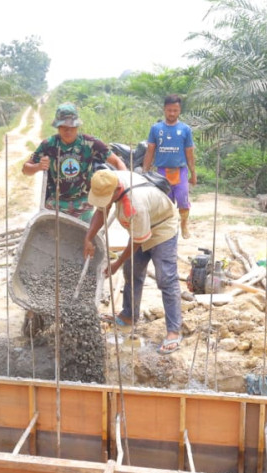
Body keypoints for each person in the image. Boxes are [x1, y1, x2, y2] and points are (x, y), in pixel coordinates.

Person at [83, 169, 182, 355]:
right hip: (142, 225)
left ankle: (173, 332)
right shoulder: (108, 179)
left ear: (115, 191)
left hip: (162, 228)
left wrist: (117, 263)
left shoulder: (134, 204)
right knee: (132, 271)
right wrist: (88, 238)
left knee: (165, 278)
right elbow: (101, 211)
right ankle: (129, 315)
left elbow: (137, 240)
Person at [23, 103, 127, 223]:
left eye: (71, 127)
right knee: (55, 239)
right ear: (58, 127)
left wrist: (125, 182)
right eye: (64, 127)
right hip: (56, 203)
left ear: (77, 126)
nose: (68, 131)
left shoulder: (90, 143)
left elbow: (117, 162)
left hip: (83, 203)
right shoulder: (49, 144)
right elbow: (26, 169)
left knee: (84, 236)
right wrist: (38, 166)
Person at [142, 94, 197, 238]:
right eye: (169, 110)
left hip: (181, 172)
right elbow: (150, 151)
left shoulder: (185, 130)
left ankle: (184, 224)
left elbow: (189, 152)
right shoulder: (156, 129)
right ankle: (168, 230)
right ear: (164, 110)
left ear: (179, 111)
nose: (172, 113)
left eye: (175, 110)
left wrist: (193, 173)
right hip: (162, 172)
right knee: (165, 203)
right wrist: (144, 172)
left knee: (183, 200)